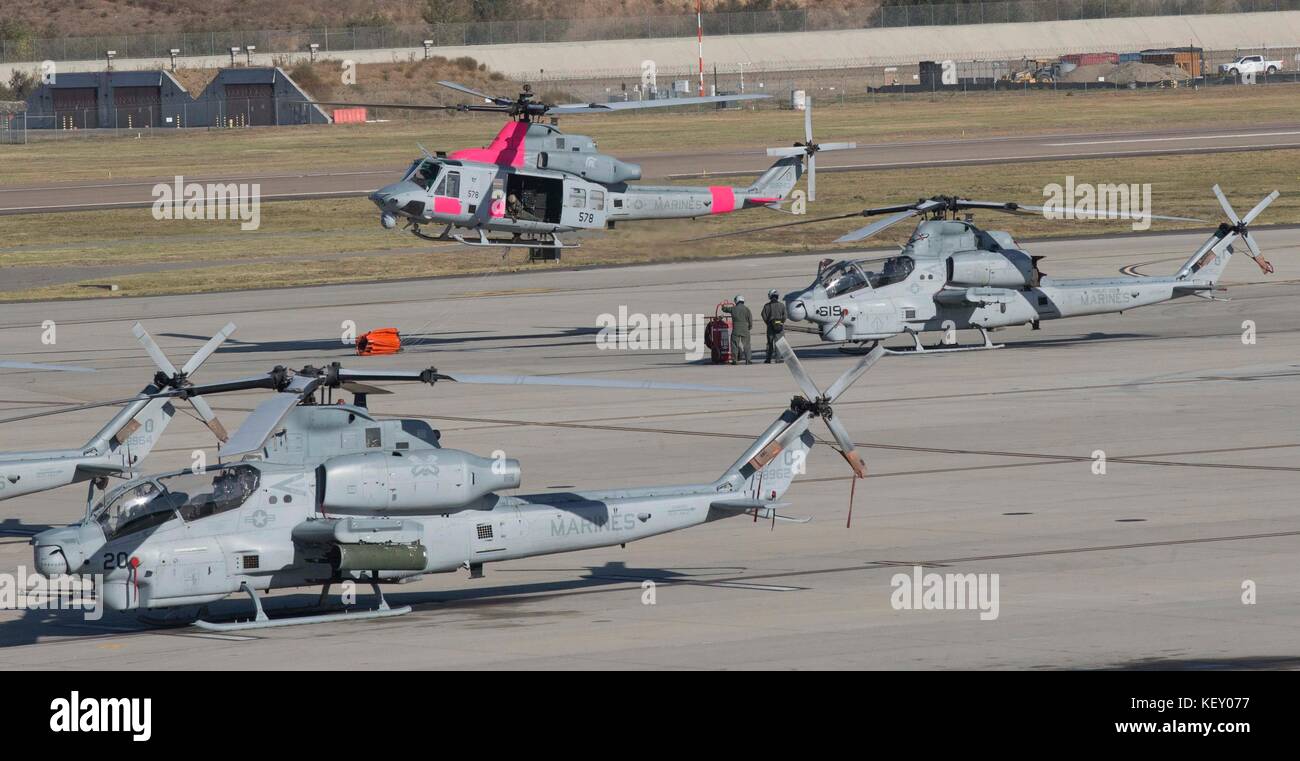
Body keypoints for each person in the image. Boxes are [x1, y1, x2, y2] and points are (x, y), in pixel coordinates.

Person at [722, 295, 752, 365]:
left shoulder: (733, 308)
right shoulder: (747, 309)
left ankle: (735, 360)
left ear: (737, 301)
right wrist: (750, 327)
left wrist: (723, 306)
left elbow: (725, 309)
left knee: (734, 344)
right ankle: (748, 360)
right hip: (745, 329)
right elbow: (750, 319)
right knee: (747, 345)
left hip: (736, 329)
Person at [761, 288, 787, 363]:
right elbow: (785, 315)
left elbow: (763, 315)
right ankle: (778, 359)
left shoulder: (767, 306)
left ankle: (768, 359)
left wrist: (768, 323)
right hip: (779, 327)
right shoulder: (781, 305)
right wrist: (781, 322)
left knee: (770, 343)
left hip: (770, 327)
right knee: (779, 343)